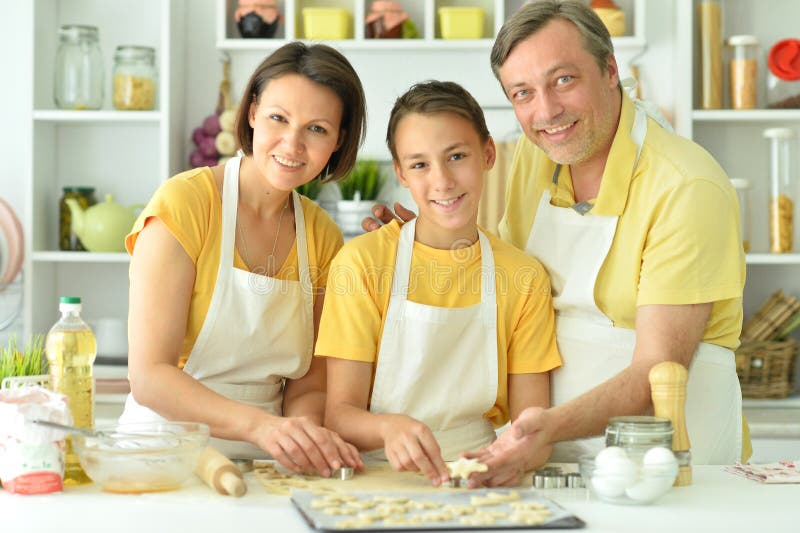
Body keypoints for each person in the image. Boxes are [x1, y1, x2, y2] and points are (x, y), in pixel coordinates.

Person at [366, 0, 749, 485]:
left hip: (667, 457)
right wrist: (428, 246)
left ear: (610, 69)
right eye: (523, 93)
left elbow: (659, 370)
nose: (546, 111)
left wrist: (546, 429)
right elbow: (507, 275)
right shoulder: (536, 153)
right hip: (547, 452)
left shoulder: (685, 186)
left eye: (563, 80)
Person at [121, 42, 366, 476]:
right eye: (278, 118)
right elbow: (150, 375)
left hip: (266, 464)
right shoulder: (186, 204)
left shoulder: (323, 237)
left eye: (317, 129)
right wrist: (263, 428)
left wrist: (301, 435)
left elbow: (309, 384)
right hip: (163, 456)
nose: (292, 144)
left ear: (338, 141)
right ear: (252, 112)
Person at [317, 81, 561, 487]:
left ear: (487, 154)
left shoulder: (523, 277)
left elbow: (532, 425)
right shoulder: (362, 264)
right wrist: (388, 429)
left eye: (457, 156)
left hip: (481, 473)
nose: (442, 180)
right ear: (400, 173)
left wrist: (514, 457)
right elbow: (339, 414)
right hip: (378, 476)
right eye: (419, 165)